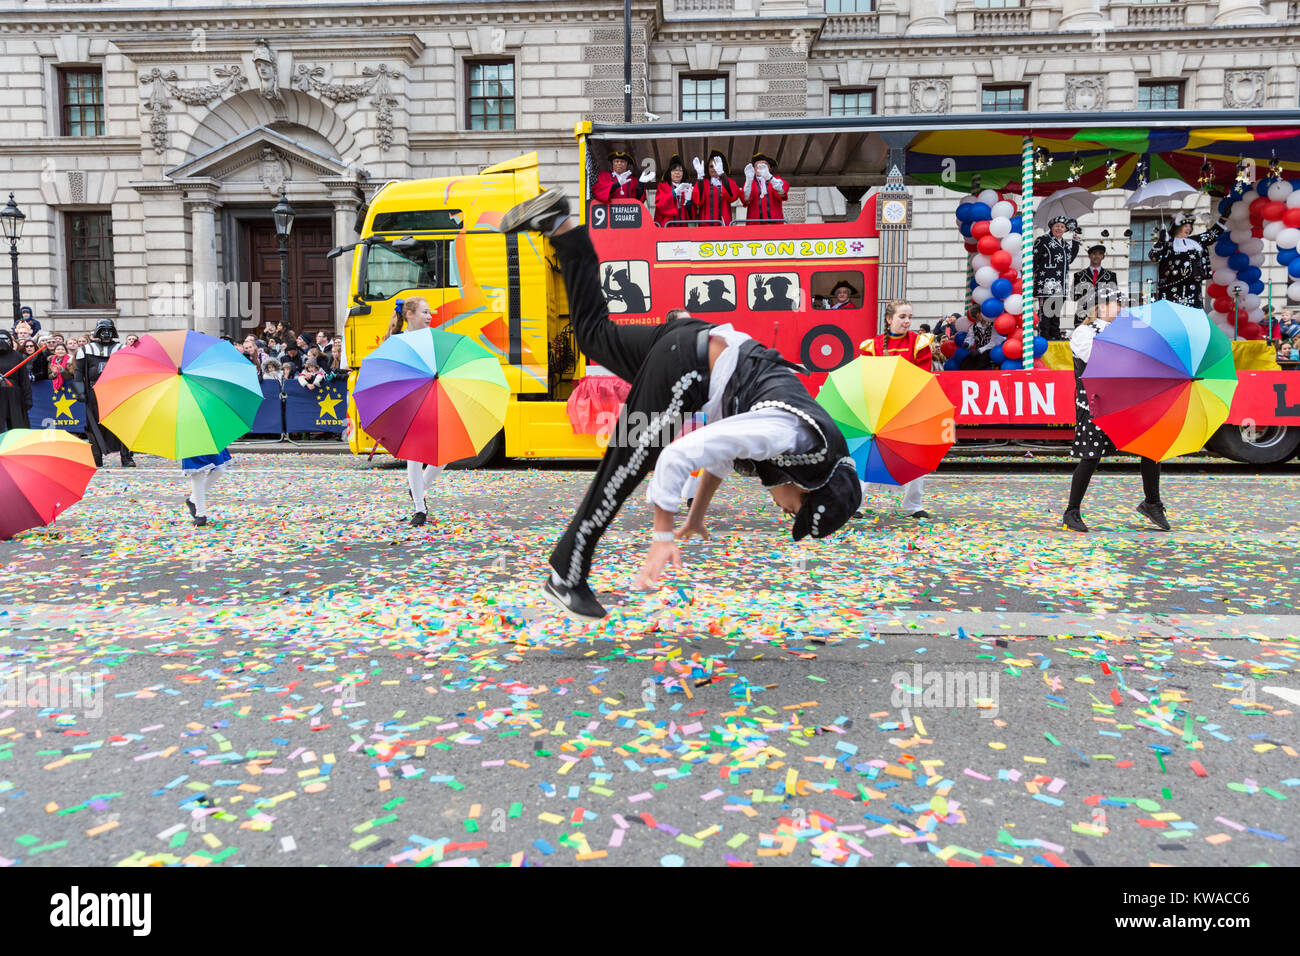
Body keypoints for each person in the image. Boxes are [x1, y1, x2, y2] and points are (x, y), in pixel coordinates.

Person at [495, 187, 861, 621]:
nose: (783, 511)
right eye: (794, 510)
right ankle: (567, 573)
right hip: (687, 366)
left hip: (691, 343)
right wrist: (663, 533)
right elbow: (679, 454)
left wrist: (696, 516)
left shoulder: (804, 443)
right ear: (809, 486)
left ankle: (560, 226)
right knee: (628, 464)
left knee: (594, 335)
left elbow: (723, 455)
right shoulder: (785, 434)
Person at [1062, 288, 1168, 533]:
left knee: (1151, 448)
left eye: (1122, 304)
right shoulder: (1084, 332)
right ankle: (1071, 511)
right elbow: (1096, 360)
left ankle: (1152, 503)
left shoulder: (1130, 332)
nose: (1120, 308)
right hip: (1096, 401)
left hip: (1127, 401)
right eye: (1114, 304)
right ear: (1097, 307)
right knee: (1091, 456)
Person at [857, 299, 939, 519]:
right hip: (880, 410)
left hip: (910, 408)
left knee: (916, 457)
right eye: (902, 317)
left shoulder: (918, 343)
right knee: (868, 457)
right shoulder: (872, 346)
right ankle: (854, 504)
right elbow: (867, 380)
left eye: (910, 317)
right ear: (889, 319)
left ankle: (914, 505)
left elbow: (922, 377)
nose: (907, 321)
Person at [384, 296, 445, 527]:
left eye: (430, 312)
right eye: (424, 312)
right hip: (409, 401)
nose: (429, 316)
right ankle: (420, 508)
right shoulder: (397, 340)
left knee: (442, 455)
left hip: (432, 398)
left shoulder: (434, 338)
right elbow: (390, 371)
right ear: (409, 314)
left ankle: (418, 489)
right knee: (415, 456)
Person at [75, 318, 136, 467]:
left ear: (113, 332)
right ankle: (96, 457)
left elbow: (131, 371)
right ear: (97, 332)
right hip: (93, 393)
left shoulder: (122, 349)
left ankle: (126, 456)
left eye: (109, 331)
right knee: (93, 426)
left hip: (117, 393)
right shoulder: (85, 350)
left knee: (123, 425)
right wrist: (80, 391)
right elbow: (78, 373)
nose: (106, 334)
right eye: (103, 331)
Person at [1151, 213, 1226, 308]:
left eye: (1190, 226)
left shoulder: (1196, 241)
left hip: (1193, 288)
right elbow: (1154, 257)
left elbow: (1211, 235)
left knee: (1193, 318)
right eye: (1186, 226)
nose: (1189, 228)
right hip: (1171, 288)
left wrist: (1223, 218)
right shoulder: (1168, 244)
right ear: (1178, 227)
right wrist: (1161, 241)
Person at [1033, 216, 1081, 341]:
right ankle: (1045, 335)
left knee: (1056, 311)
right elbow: (1034, 259)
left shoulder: (1065, 244)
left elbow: (1069, 259)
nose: (1059, 228)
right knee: (1046, 311)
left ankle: (1055, 334)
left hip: (1061, 283)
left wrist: (1075, 243)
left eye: (1062, 227)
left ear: (1065, 229)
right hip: (1046, 282)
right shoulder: (1043, 240)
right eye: (1057, 226)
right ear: (1051, 227)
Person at [182, 446, 232, 528]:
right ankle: (201, 515)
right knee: (197, 473)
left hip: (209, 438)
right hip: (190, 441)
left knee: (220, 470)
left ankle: (193, 499)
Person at [691, 151, 740, 226]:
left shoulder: (727, 181)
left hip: (724, 224)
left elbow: (733, 197)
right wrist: (700, 178)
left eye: (716, 165)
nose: (714, 169)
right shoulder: (703, 183)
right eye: (711, 166)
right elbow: (697, 200)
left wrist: (722, 174)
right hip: (706, 226)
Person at [1072, 244, 1119, 317]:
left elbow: (1114, 297)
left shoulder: (1111, 276)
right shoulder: (1078, 275)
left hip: (1103, 315)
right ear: (1089, 256)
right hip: (1083, 314)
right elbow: (1074, 297)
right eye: (1094, 254)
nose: (1097, 256)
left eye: (1100, 254)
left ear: (1103, 257)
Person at [0, 329, 33, 433]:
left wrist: (28, 398)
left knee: (17, 425)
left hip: (14, 395)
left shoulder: (17, 356)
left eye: (5, 339)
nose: (2, 341)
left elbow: (24, 379)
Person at [740, 153, 788, 225]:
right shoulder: (751, 183)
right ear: (754, 169)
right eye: (757, 166)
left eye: (763, 165)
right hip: (755, 226)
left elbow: (782, 194)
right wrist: (748, 181)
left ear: (769, 167)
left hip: (775, 225)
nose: (760, 168)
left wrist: (769, 177)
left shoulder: (777, 180)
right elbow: (745, 200)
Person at [654, 154, 694, 227]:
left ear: (683, 174)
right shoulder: (662, 186)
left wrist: (689, 202)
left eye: (680, 170)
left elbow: (692, 214)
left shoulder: (687, 188)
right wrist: (674, 193)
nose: (677, 172)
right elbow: (660, 206)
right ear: (670, 173)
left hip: (683, 228)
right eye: (674, 170)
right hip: (667, 227)